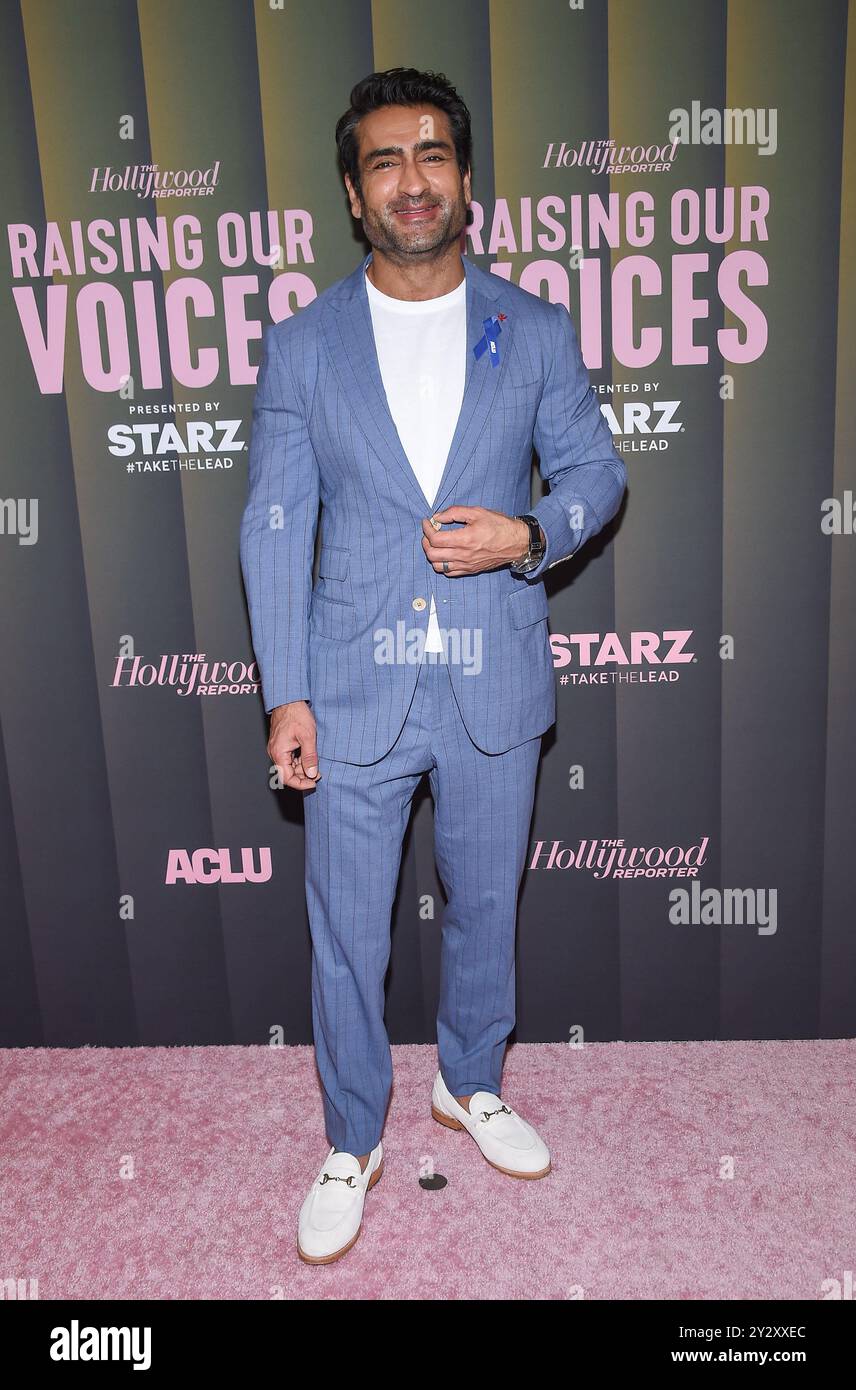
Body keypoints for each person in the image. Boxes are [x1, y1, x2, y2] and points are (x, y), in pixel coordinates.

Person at [239, 67, 627, 1264]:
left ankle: (471, 1081)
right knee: (349, 931)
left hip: (490, 678)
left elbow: (596, 477)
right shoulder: (303, 346)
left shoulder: (538, 329)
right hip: (351, 685)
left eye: (432, 156)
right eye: (384, 162)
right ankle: (352, 1132)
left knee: (483, 912)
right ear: (355, 195)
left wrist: (531, 536)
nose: (412, 180)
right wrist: (285, 690)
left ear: (465, 179)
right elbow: (273, 520)